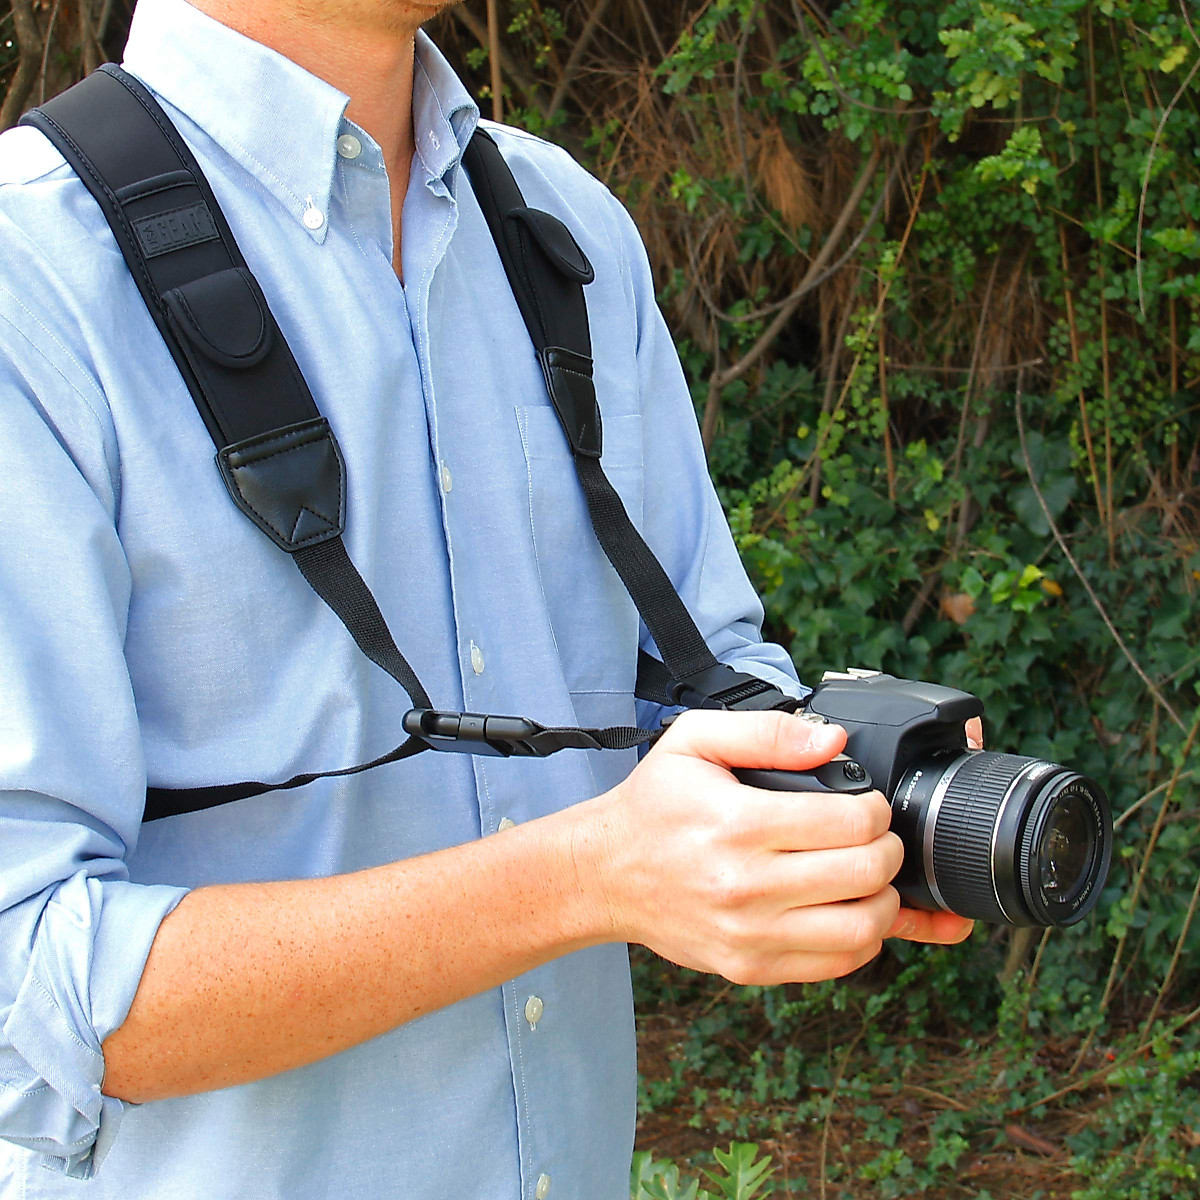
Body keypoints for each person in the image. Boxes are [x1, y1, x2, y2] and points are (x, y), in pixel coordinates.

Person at [0, 0, 974, 1195]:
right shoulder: (30, 275)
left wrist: (843, 800)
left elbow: (702, 678)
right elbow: (28, 998)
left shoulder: (561, 222)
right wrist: (586, 876)